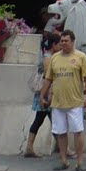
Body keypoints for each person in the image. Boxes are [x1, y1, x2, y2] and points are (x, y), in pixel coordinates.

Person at [40, 27, 86, 171]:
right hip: (58, 102)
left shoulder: (81, 57)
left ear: (73, 41)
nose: (63, 43)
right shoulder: (55, 58)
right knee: (60, 132)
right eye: (61, 41)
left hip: (75, 101)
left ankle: (80, 162)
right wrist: (42, 95)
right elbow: (48, 78)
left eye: (66, 41)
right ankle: (63, 161)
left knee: (78, 131)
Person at [24, 20, 61, 158]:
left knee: (48, 121)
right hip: (46, 95)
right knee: (51, 121)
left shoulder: (48, 56)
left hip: (45, 94)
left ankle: (30, 147)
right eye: (59, 44)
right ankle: (64, 149)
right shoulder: (48, 58)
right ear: (54, 45)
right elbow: (48, 78)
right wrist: (49, 94)